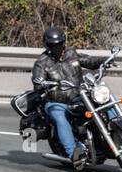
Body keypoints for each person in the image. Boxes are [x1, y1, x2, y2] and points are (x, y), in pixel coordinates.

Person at [31, 25, 107, 164]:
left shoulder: (71, 54)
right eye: (52, 45)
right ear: (47, 45)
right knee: (59, 116)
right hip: (56, 101)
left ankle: (115, 133)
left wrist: (104, 61)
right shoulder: (41, 63)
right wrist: (41, 83)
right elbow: (37, 82)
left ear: (63, 42)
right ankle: (74, 154)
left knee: (103, 101)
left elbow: (88, 60)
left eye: (59, 44)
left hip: (79, 96)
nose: (56, 47)